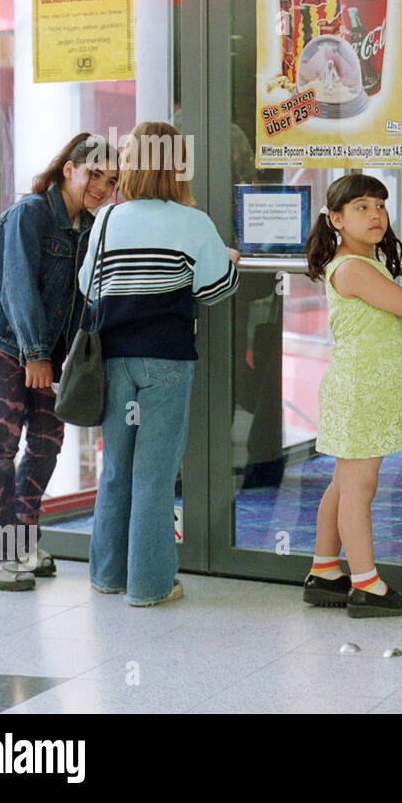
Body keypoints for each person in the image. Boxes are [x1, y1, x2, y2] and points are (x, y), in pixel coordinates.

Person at [80, 121, 240, 606]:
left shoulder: (108, 219)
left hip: (113, 360)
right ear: (178, 166)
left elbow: (90, 287)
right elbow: (215, 290)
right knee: (153, 475)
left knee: (116, 471)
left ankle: (108, 576)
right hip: (165, 361)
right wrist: (227, 260)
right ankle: (149, 585)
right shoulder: (192, 221)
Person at [0, 133, 119, 590]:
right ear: (68, 169)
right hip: (4, 343)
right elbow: (17, 287)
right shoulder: (30, 214)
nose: (102, 187)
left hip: (48, 357)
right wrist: (34, 354)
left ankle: (21, 542)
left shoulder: (88, 229)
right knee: (1, 441)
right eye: (95, 175)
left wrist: (67, 356)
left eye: (111, 181)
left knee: (48, 440)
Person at [301, 173, 402, 618]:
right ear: (336, 219)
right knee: (360, 488)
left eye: (380, 205)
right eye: (361, 207)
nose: (376, 214)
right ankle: (366, 584)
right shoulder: (353, 267)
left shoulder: (364, 262)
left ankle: (324, 570)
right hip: (360, 389)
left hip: (360, 388)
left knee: (344, 484)